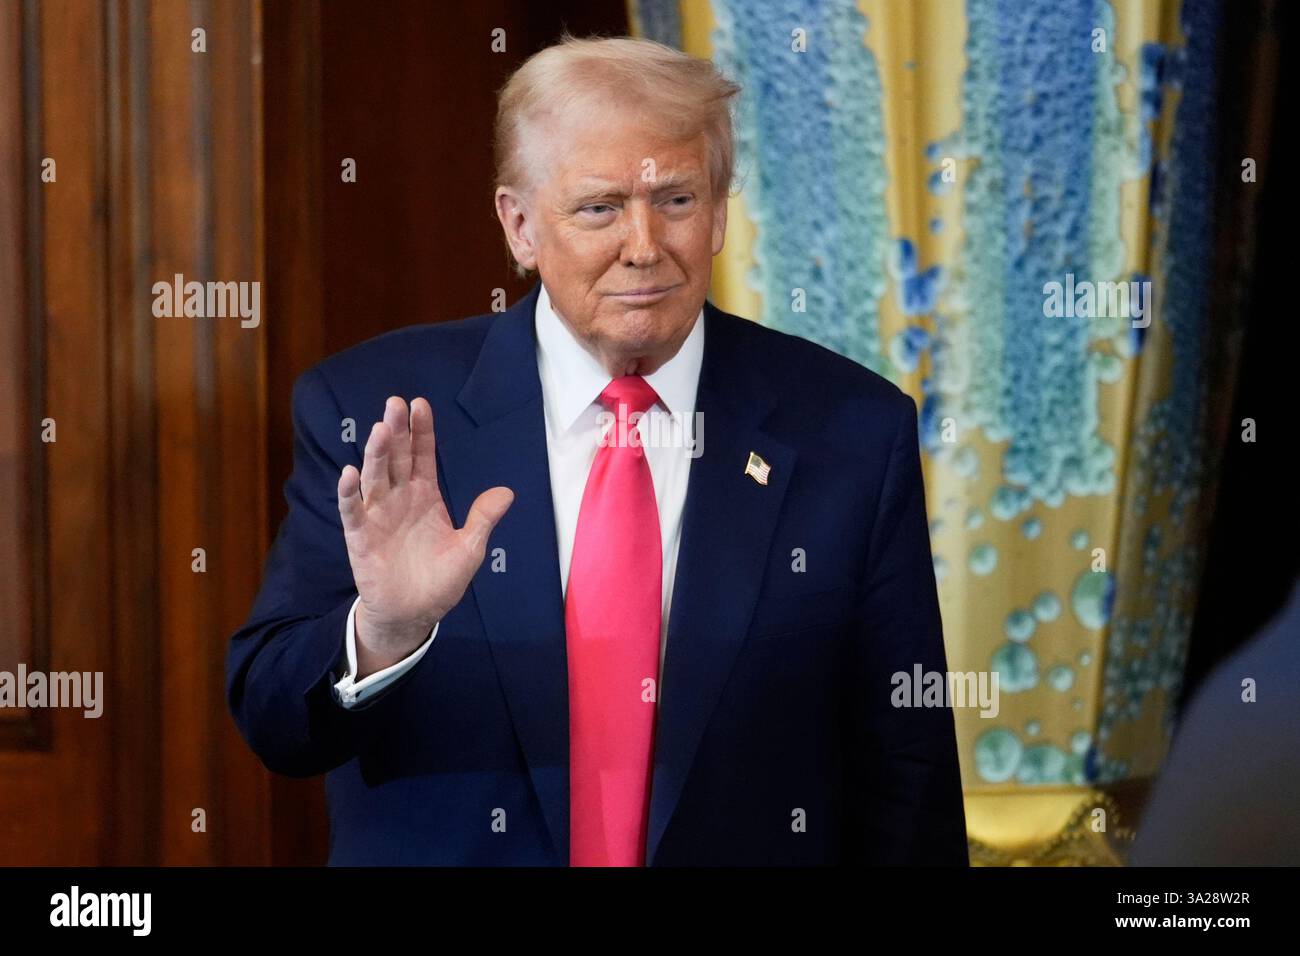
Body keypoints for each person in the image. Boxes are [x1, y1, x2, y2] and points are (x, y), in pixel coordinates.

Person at [226, 34, 968, 866]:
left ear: (721, 211)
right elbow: (274, 720)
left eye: (678, 200)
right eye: (600, 208)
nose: (644, 244)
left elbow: (909, 777)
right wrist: (385, 631)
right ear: (519, 225)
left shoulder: (850, 430)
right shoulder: (376, 411)